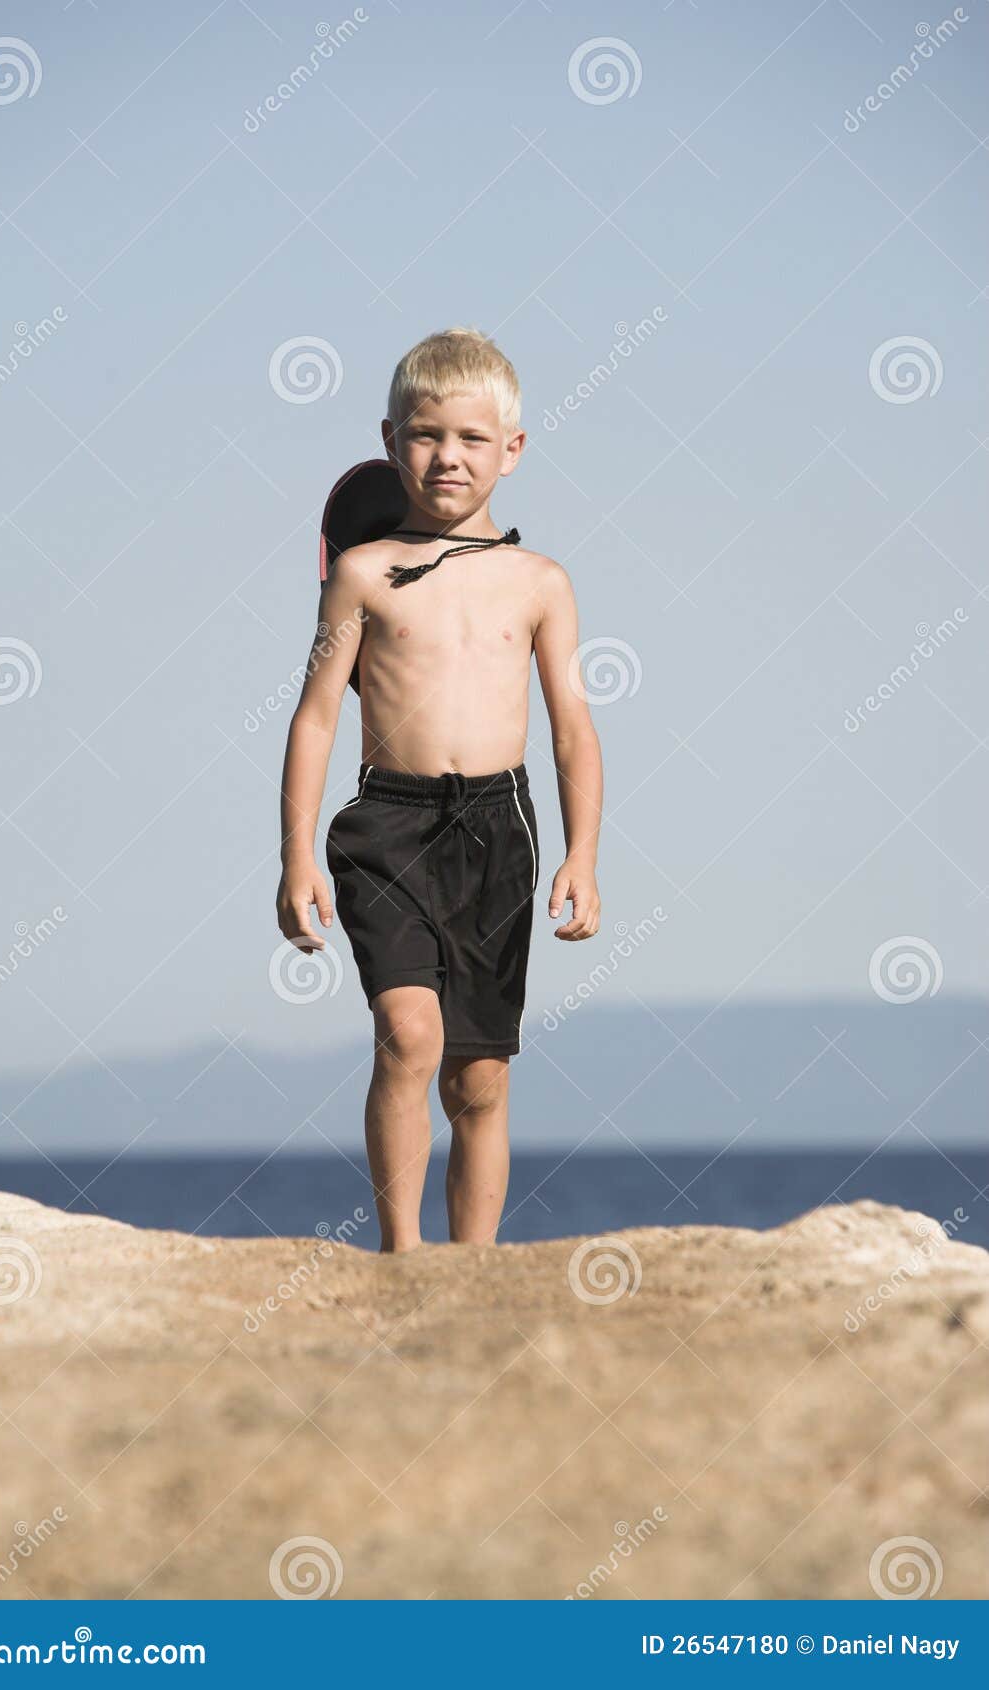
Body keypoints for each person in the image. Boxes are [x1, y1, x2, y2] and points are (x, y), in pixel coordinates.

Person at [276, 326, 603, 1251]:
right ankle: (403, 1259)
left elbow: (573, 728)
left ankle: (471, 1276)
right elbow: (314, 717)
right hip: (385, 823)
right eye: (425, 436)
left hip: (499, 826)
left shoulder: (540, 583)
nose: (446, 456)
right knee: (409, 1035)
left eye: (469, 437)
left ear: (513, 449)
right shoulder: (361, 575)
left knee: (480, 1079)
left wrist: (581, 851)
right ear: (389, 442)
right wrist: (296, 854)